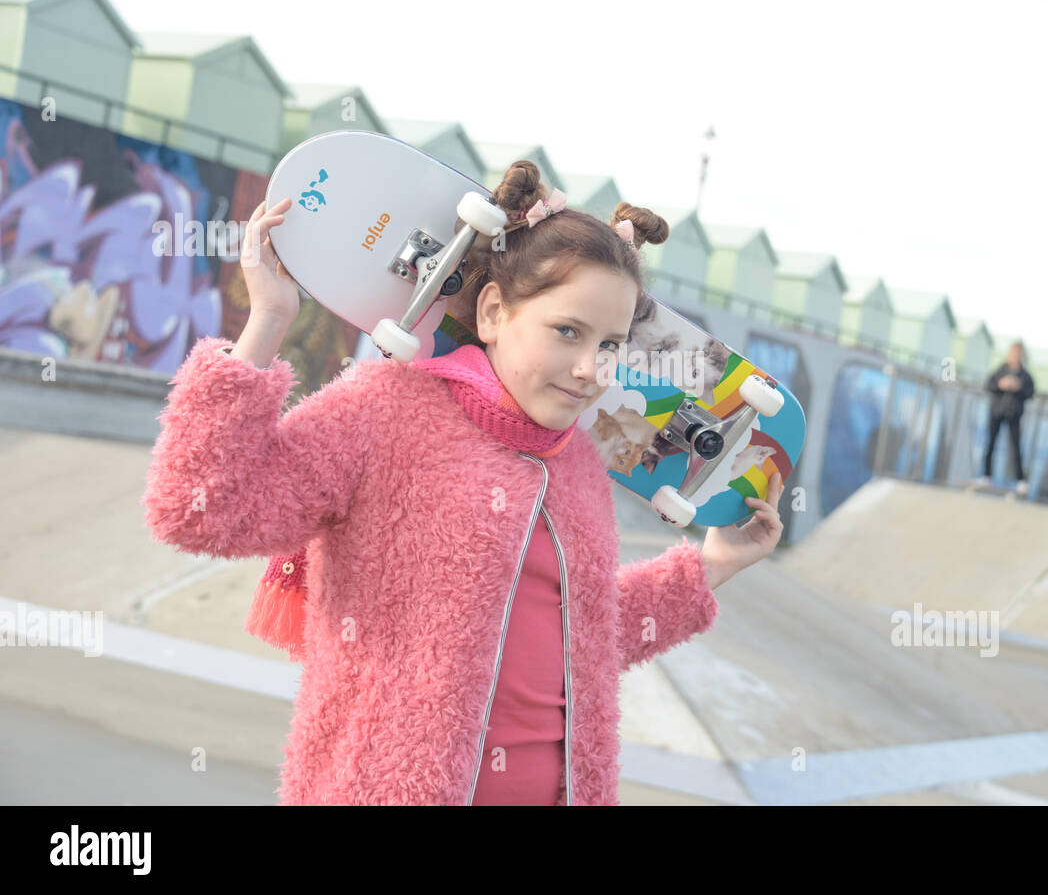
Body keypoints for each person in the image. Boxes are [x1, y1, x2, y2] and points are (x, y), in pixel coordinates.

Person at [140, 162, 785, 806]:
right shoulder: (384, 414)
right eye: (568, 332)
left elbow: (585, 642)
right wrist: (267, 324)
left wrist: (710, 568)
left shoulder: (578, 466)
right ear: (494, 311)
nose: (592, 369)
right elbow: (200, 511)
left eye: (612, 344)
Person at [975, 340, 1035, 495]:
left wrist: (1018, 387)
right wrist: (1001, 384)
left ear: (1022, 356)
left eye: (1018, 353)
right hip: (997, 412)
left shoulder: (1025, 376)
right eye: (1013, 353)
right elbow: (989, 385)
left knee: (1016, 448)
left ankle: (1021, 481)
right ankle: (986, 476)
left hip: (1014, 414)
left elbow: (1030, 392)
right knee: (991, 444)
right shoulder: (1000, 371)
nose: (1015, 356)